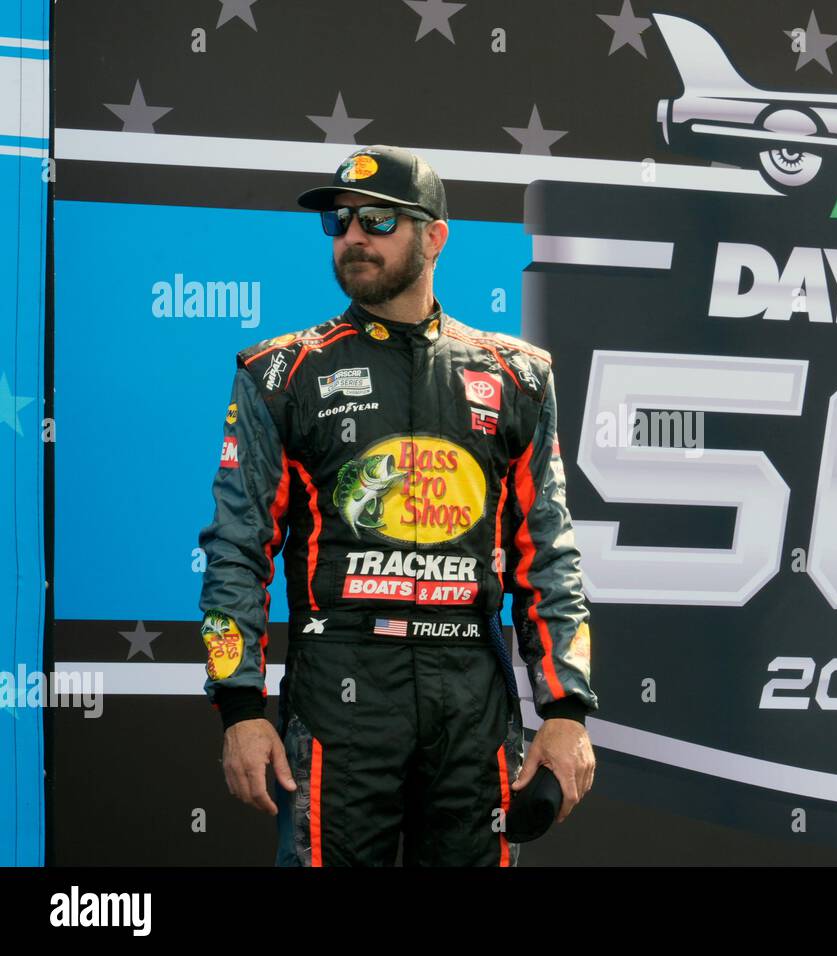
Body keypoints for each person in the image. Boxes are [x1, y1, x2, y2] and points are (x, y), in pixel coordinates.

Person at [197, 144, 597, 866]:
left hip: (473, 689)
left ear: (435, 235)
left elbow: (548, 553)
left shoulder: (517, 375)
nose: (353, 236)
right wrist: (240, 705)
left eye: (378, 220)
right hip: (340, 685)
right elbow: (237, 549)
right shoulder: (281, 373)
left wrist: (565, 710)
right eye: (340, 222)